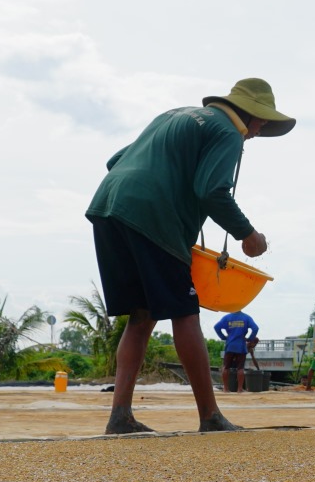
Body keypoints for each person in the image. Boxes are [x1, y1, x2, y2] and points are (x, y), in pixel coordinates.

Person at [86, 78, 295, 434]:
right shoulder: (228, 131)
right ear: (251, 114)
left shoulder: (173, 115)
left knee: (141, 315)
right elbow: (212, 191)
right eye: (261, 123)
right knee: (185, 311)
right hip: (153, 217)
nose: (258, 132)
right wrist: (248, 235)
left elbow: (115, 161)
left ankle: (120, 416)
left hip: (108, 207)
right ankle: (210, 417)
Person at [213, 310, 260, 393]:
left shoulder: (226, 318)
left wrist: (223, 337)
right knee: (240, 368)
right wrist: (250, 338)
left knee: (226, 367)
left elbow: (216, 327)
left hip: (230, 345)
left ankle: (226, 389)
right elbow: (255, 328)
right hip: (241, 346)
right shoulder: (246, 317)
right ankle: (239, 389)